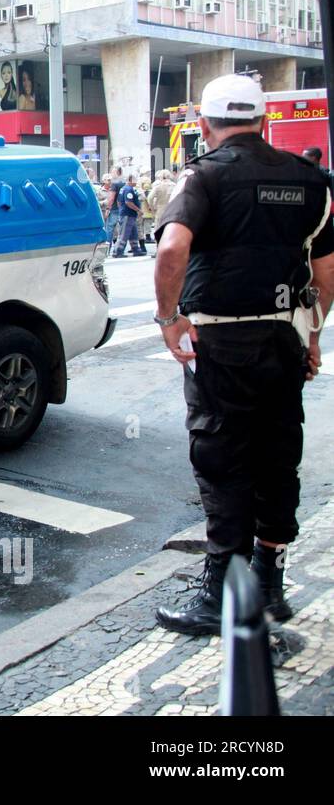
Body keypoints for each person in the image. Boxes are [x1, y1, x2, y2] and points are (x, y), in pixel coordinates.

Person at [152, 74, 334, 635]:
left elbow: (171, 248)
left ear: (205, 126)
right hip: (282, 339)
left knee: (222, 458)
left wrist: (168, 318)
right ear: (265, 122)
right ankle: (270, 586)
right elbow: (326, 275)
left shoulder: (203, 176)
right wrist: (311, 335)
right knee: (278, 455)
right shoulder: (310, 181)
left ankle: (221, 596)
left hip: (220, 343)